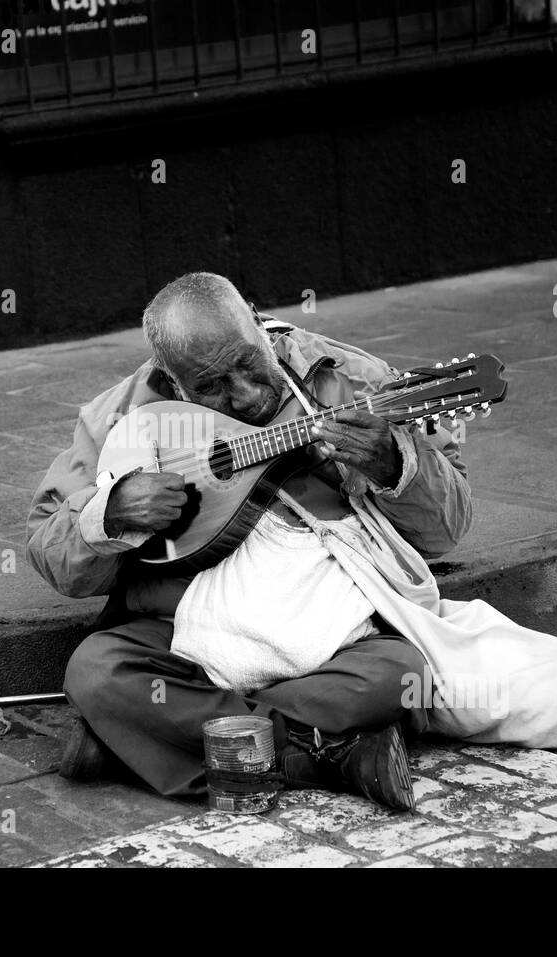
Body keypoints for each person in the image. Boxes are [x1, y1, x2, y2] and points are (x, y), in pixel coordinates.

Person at [25, 272, 472, 811]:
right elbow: (50, 550)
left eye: (247, 363)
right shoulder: (119, 417)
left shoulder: (349, 380)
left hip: (329, 628)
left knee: (400, 673)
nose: (245, 394)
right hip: (185, 630)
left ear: (258, 323)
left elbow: (448, 529)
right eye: (211, 385)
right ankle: (323, 752)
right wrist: (109, 513)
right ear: (170, 377)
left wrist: (398, 465)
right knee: (95, 673)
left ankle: (148, 741)